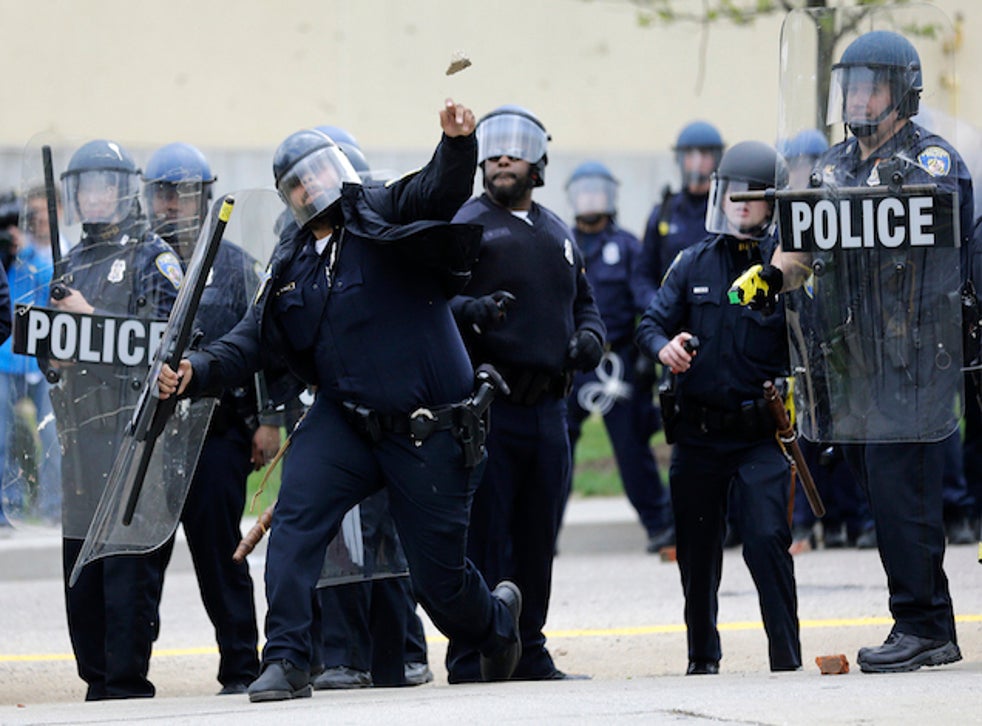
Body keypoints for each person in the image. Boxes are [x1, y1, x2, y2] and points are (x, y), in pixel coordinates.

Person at [157, 99, 523, 703]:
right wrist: (194, 369)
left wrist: (459, 144)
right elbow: (253, 337)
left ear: (340, 171)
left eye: (318, 172)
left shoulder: (382, 212)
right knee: (296, 522)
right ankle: (287, 659)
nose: (311, 188)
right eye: (296, 183)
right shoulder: (292, 261)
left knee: (441, 588)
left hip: (427, 428)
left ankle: (497, 624)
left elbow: (435, 191)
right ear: (287, 198)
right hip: (346, 421)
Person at [730, 30, 972, 673]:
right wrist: (772, 276)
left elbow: (945, 243)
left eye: (873, 85)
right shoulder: (834, 168)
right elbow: (800, 246)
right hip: (850, 366)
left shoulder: (933, 163)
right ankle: (921, 619)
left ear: (905, 93)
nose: (859, 97)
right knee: (877, 491)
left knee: (904, 494)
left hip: (917, 361)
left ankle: (924, 625)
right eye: (852, 85)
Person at [444, 105, 605, 683]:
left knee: (538, 539)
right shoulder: (468, 225)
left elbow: (584, 302)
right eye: (493, 148)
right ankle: (471, 655)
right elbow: (433, 301)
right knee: (483, 537)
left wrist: (591, 336)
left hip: (550, 411)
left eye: (516, 148)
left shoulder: (559, 232)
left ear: (538, 162)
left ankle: (529, 650)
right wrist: (472, 311)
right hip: (491, 409)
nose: (502, 156)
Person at [636, 140, 802, 675]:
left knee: (766, 540)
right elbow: (649, 324)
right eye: (733, 195)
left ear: (772, 204)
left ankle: (786, 659)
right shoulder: (690, 263)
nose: (741, 205)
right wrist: (664, 347)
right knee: (698, 555)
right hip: (700, 435)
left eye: (753, 197)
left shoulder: (786, 269)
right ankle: (701, 660)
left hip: (759, 435)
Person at [143, 142, 281, 695]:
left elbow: (263, 345)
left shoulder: (238, 265)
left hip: (219, 431)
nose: (174, 204)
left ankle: (241, 668)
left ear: (206, 196)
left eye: (186, 193)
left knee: (221, 556)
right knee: (143, 562)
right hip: (148, 440)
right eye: (164, 193)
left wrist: (268, 418)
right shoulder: (137, 264)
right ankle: (124, 678)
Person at [303, 126, 433, 690]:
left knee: (386, 540)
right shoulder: (300, 253)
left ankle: (403, 653)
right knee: (338, 542)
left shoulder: (383, 242)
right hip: (332, 419)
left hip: (388, 417)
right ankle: (342, 657)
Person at [53, 139, 183, 699]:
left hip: (132, 439)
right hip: (79, 439)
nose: (96, 195)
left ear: (125, 189)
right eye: (86, 186)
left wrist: (90, 318)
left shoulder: (151, 257)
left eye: (106, 184)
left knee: (125, 573)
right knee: (79, 569)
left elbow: (166, 342)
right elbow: (53, 349)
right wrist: (54, 351)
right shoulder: (70, 262)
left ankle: (126, 682)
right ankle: (95, 679)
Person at [562, 160, 673, 553]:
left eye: (597, 191)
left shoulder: (627, 246)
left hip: (618, 359)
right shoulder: (560, 240)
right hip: (571, 361)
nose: (590, 199)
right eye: (583, 191)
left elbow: (645, 295)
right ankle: (542, 532)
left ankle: (661, 525)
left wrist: (647, 356)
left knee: (630, 446)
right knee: (557, 445)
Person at [0, 190, 58, 528]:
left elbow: (52, 289)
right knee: (4, 436)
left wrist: (26, 255)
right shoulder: (5, 255)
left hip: (40, 359)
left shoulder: (45, 254)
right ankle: (9, 508)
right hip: (7, 359)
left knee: (51, 436)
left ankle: (54, 508)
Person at [638, 120, 724, 297]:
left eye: (704, 154)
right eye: (690, 155)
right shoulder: (664, 212)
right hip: (670, 311)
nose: (697, 162)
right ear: (679, 158)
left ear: (716, 158)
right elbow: (642, 275)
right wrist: (660, 308)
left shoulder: (727, 212)